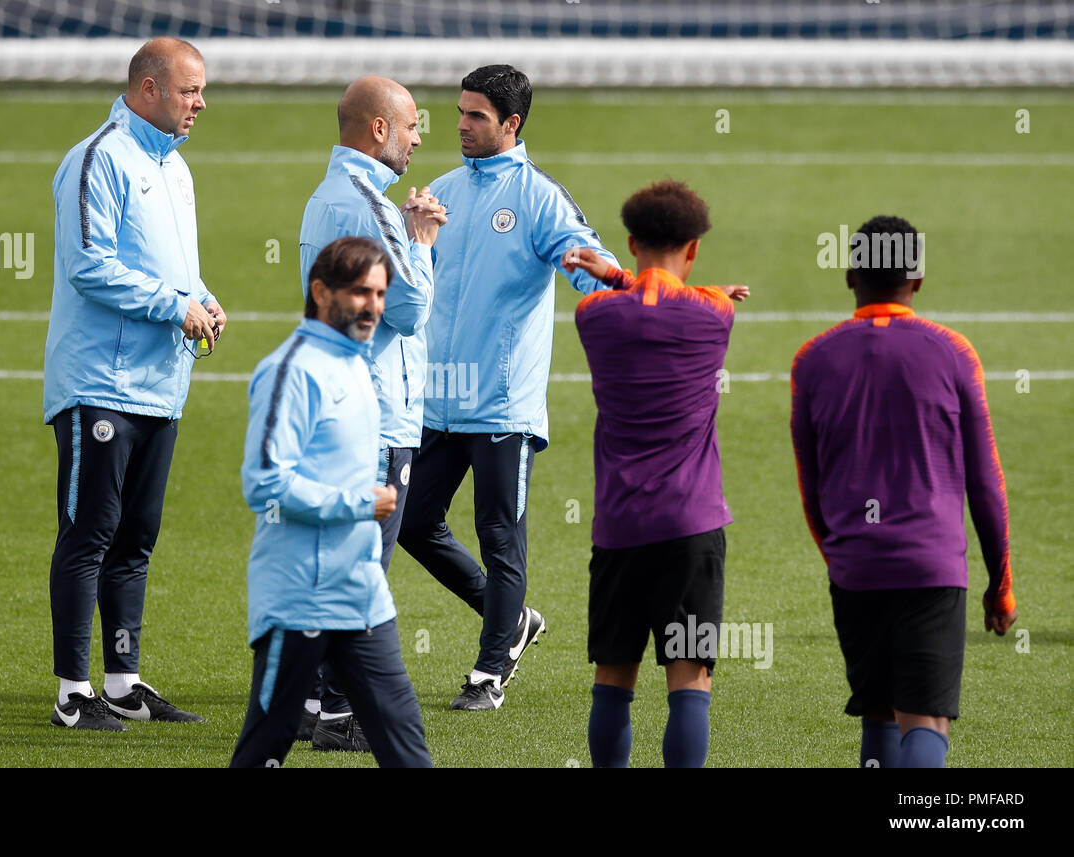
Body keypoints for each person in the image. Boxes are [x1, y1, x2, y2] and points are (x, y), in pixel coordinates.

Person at [397, 64, 618, 711]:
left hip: (501, 403)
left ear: (511, 124)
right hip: (438, 399)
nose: (461, 126)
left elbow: (592, 269)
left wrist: (626, 287)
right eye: (460, 113)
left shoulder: (539, 198)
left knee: (500, 534)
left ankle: (489, 671)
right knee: (410, 520)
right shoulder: (439, 192)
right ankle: (512, 617)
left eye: (476, 117)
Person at [43, 37, 226, 731]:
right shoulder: (98, 158)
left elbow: (171, 265)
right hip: (100, 382)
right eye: (189, 91)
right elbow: (89, 264)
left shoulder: (174, 169)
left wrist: (202, 297)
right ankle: (71, 692)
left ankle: (122, 681)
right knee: (89, 533)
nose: (200, 103)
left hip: (159, 383)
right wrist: (173, 305)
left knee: (136, 538)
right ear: (148, 89)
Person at [790, 215, 1017, 768]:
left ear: (850, 276)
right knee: (926, 720)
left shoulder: (812, 359)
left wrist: (841, 558)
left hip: (856, 569)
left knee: (879, 712)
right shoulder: (954, 353)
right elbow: (985, 480)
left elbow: (810, 484)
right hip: (931, 567)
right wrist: (1000, 582)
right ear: (916, 280)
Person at [230, 237, 432, 769]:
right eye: (361, 292)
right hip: (299, 598)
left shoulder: (356, 367)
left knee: (408, 750)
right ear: (321, 292)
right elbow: (265, 482)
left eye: (381, 294)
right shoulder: (290, 370)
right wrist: (354, 505)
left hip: (362, 596)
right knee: (265, 749)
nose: (374, 306)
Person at [566, 180, 749, 768]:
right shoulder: (714, 312)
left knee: (614, 678)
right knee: (689, 678)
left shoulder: (592, 314)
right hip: (692, 528)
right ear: (692, 248)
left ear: (629, 241)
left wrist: (616, 278)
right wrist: (680, 285)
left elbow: (644, 297)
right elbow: (689, 297)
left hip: (619, 527)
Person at [294, 75, 446, 750]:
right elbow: (409, 308)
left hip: (340, 406)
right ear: (378, 128)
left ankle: (304, 697)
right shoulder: (374, 207)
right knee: (362, 569)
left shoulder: (325, 197)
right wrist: (421, 241)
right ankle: (333, 708)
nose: (419, 138)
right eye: (413, 125)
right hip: (377, 414)